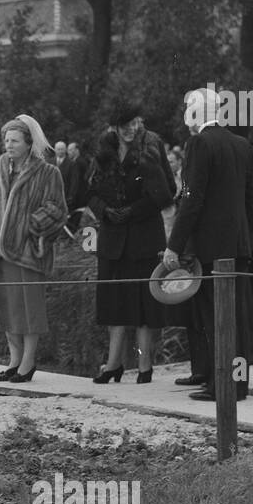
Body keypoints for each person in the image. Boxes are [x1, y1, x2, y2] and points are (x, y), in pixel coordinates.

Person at [163, 87, 253, 402]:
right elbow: (251, 199)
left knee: (215, 317)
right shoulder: (241, 144)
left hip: (209, 247)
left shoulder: (199, 143)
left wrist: (174, 245)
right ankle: (237, 384)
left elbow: (192, 199)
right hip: (237, 244)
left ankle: (222, 386)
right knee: (238, 317)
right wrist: (245, 237)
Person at [0, 115, 68, 384]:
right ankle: (14, 359)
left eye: (14, 140)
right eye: (6, 140)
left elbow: (58, 210)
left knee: (28, 308)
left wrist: (32, 225)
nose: (8, 145)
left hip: (27, 251)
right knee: (6, 308)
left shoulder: (48, 172)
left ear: (28, 143)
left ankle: (29, 361)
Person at [86, 105, 176, 384]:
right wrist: (105, 211)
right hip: (113, 239)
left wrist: (133, 211)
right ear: (114, 126)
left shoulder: (151, 146)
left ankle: (144, 365)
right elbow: (88, 193)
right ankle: (113, 364)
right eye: (123, 124)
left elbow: (167, 192)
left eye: (134, 122)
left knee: (144, 304)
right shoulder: (103, 150)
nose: (129, 129)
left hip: (144, 236)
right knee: (113, 302)